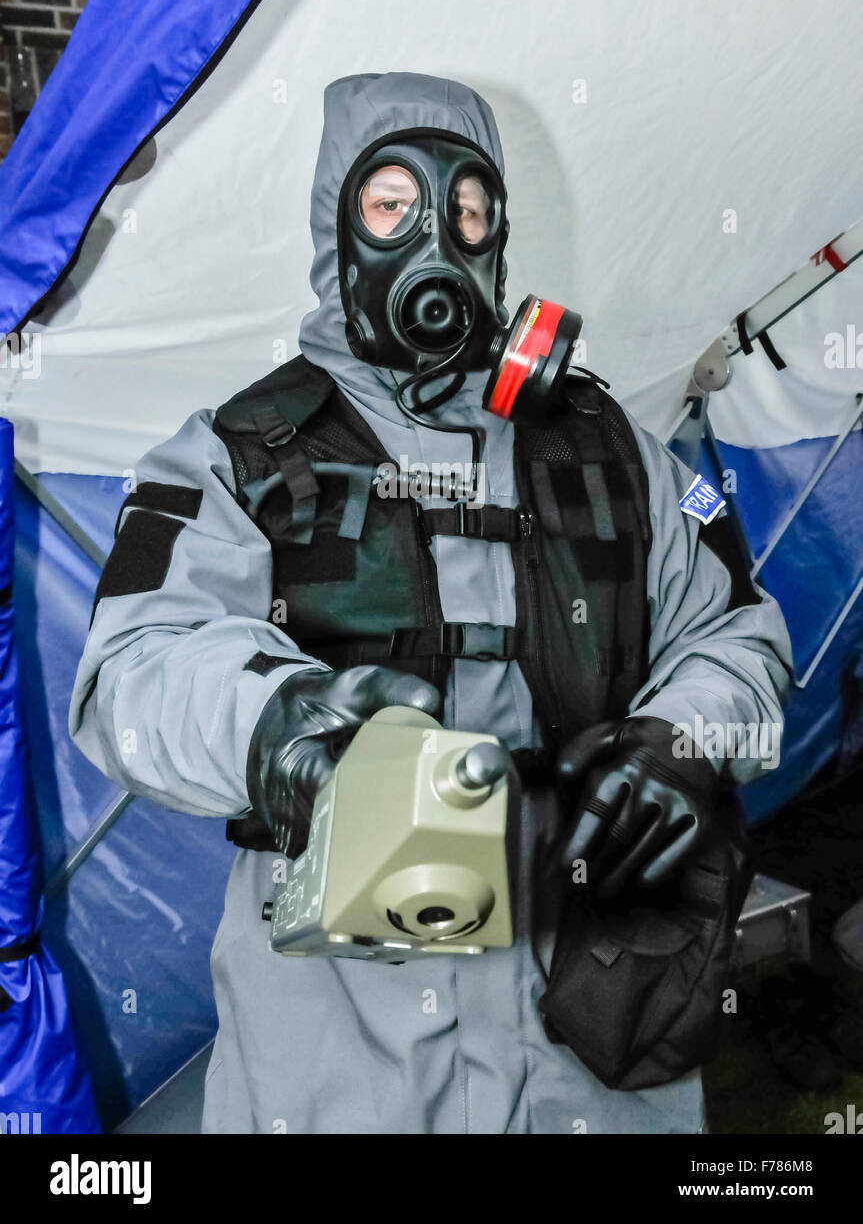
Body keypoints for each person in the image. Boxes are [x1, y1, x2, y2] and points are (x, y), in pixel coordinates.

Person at [69, 71, 792, 1134]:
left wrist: (683, 741)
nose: (434, 239)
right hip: (346, 1052)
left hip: (589, 1023)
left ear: (498, 232)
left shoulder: (614, 452)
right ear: (336, 226)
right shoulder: (238, 453)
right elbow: (131, 670)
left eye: (464, 208)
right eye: (392, 202)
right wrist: (269, 721)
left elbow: (739, 635)